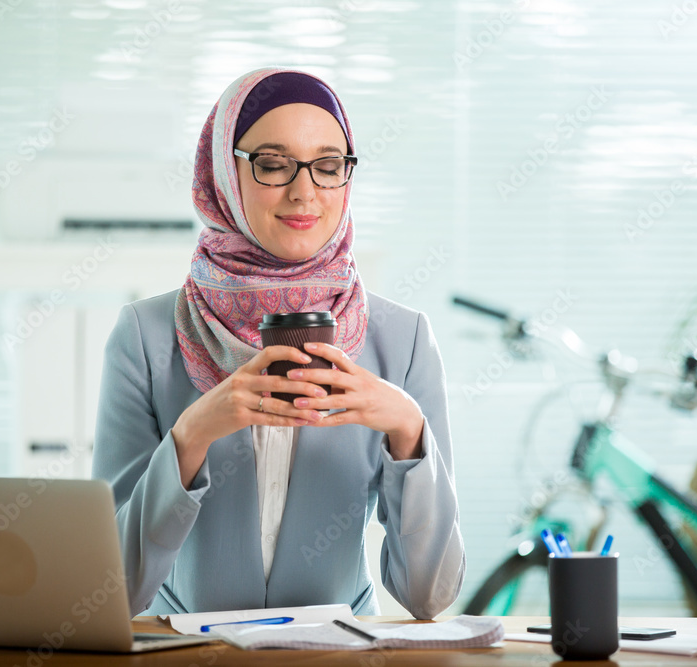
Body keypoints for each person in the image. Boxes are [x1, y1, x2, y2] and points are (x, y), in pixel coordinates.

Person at [92, 67, 464, 619]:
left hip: (340, 658)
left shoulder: (402, 340)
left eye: (328, 166)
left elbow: (429, 597)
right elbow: (109, 591)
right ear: (223, 174)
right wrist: (191, 435)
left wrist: (408, 433)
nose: (304, 191)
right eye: (272, 164)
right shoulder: (146, 338)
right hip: (184, 654)